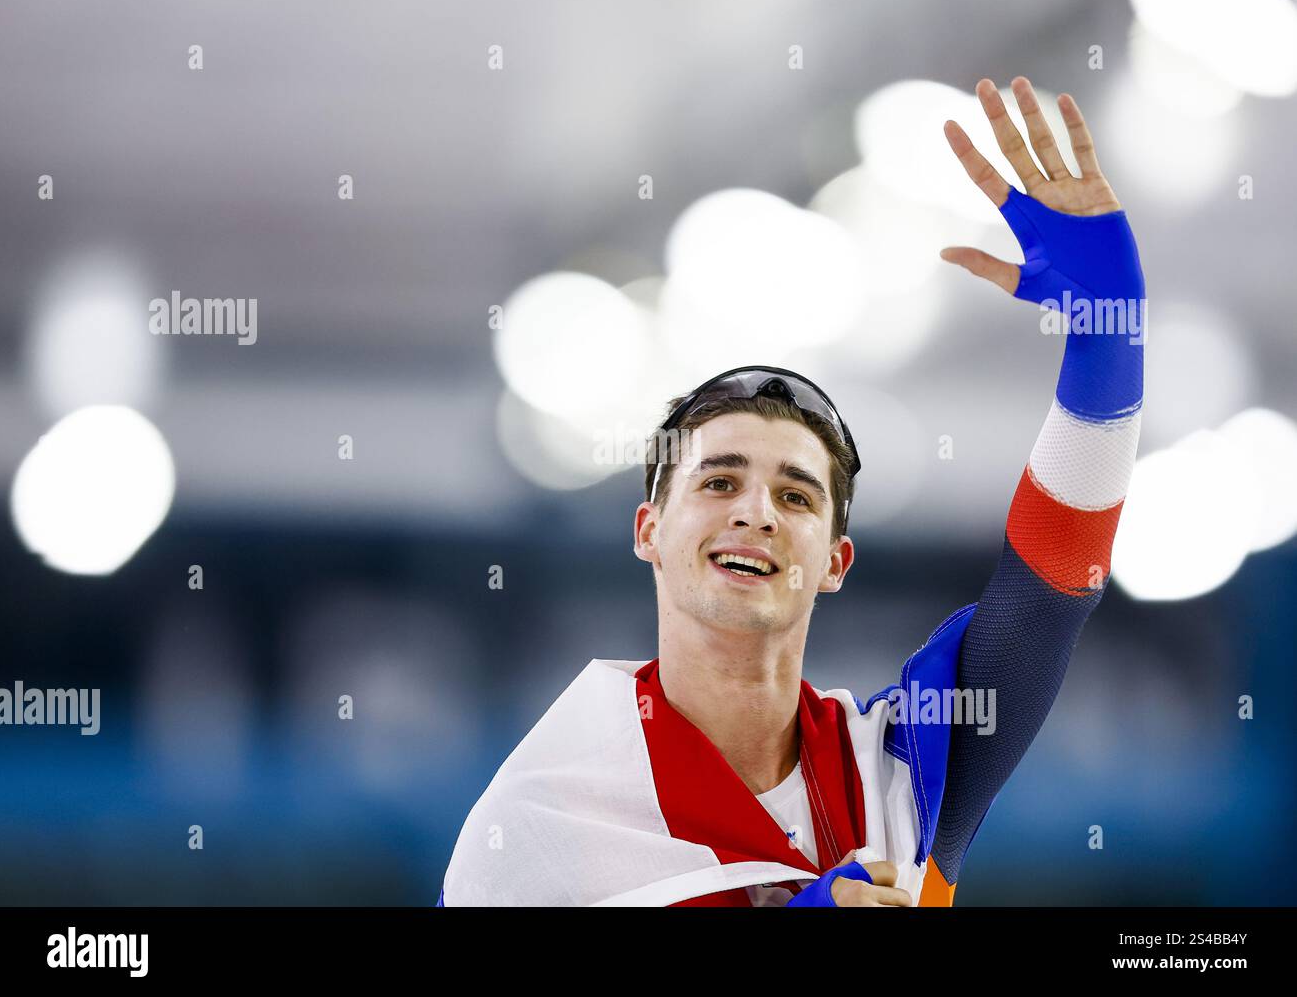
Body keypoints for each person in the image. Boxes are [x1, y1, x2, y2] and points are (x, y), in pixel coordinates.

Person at [440, 75, 1144, 906]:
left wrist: (1109, 335)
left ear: (837, 560)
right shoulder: (539, 826)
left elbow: (1051, 588)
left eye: (798, 496)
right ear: (648, 530)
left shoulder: (905, 775)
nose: (755, 512)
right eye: (719, 479)